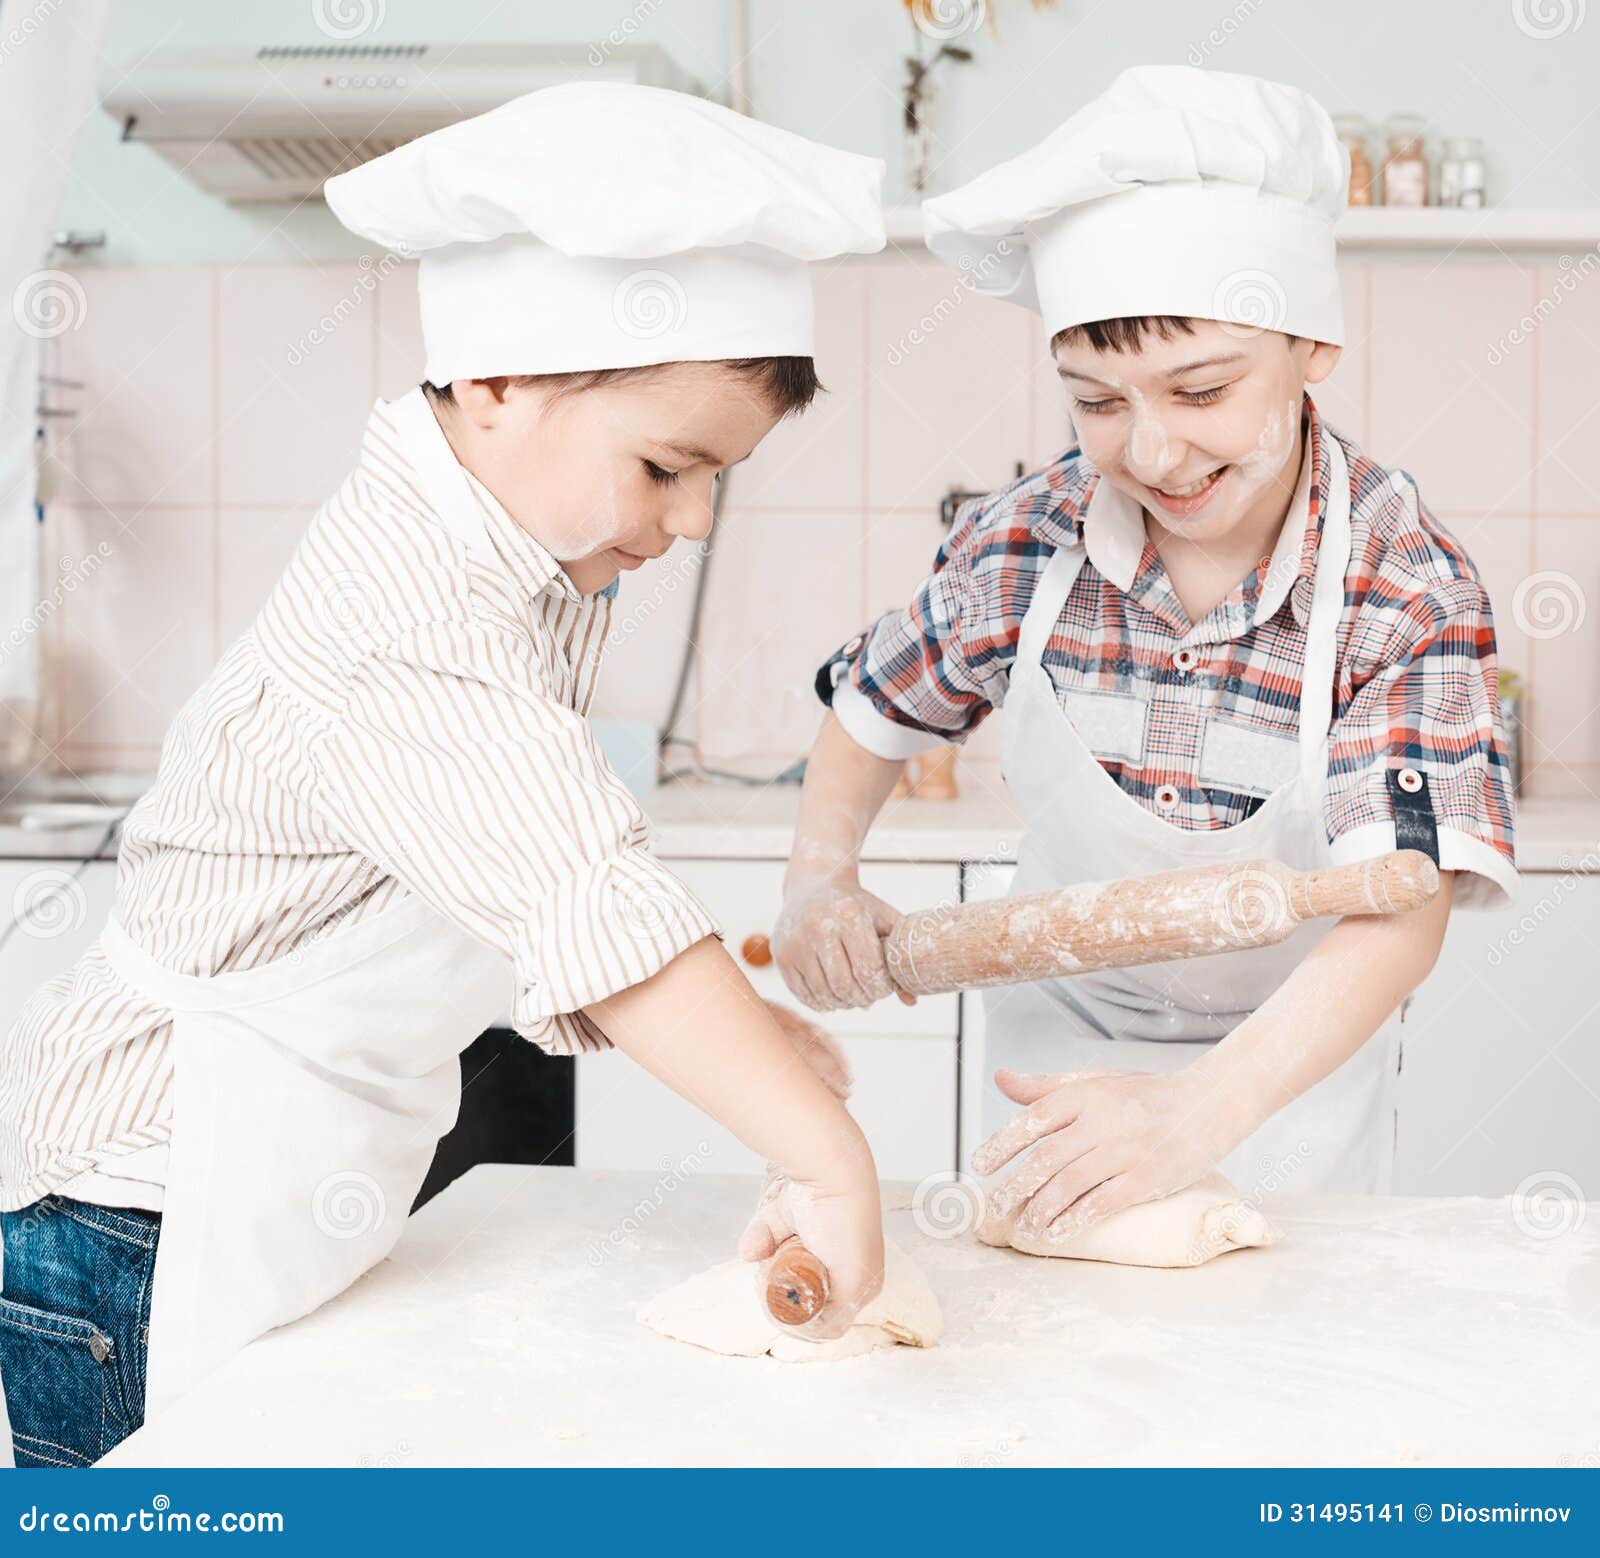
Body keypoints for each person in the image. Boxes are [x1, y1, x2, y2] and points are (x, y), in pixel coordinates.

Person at [0, 83, 887, 1468]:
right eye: (669, 466)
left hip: (258, 1181)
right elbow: (585, 898)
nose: (695, 520)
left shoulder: (519, 563)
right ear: (496, 383)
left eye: (721, 477)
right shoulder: (405, 616)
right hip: (136, 1225)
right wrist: (829, 1155)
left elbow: (514, 886)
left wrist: (756, 1049)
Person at [773, 66, 1516, 1246]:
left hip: (1286, 1092)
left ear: (1310, 342)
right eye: (1097, 402)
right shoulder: (1030, 537)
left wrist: (1195, 1115)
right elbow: (874, 710)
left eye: (1201, 389)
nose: (1154, 449)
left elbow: (1403, 904)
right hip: (1047, 1082)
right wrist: (820, 875)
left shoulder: (1398, 579)